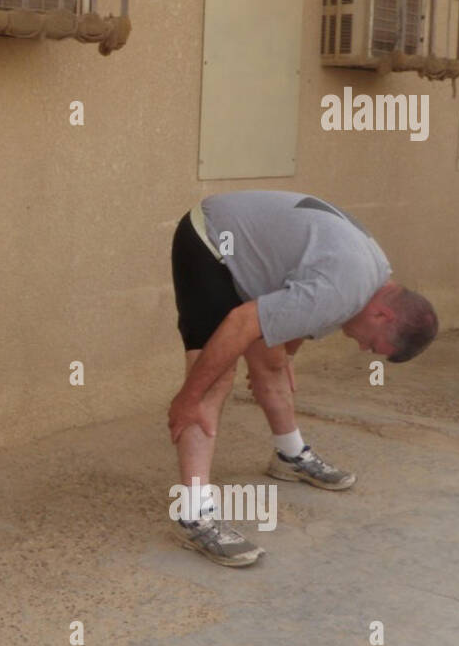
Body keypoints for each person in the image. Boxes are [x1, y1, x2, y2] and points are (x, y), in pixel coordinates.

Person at [166, 190, 438, 566]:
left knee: (275, 361)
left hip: (249, 250)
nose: (364, 350)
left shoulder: (375, 275)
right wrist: (188, 398)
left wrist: (284, 354)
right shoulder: (343, 290)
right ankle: (193, 514)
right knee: (214, 379)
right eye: (374, 346)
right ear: (383, 317)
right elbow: (242, 322)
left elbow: (300, 294)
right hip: (211, 240)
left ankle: (289, 456)